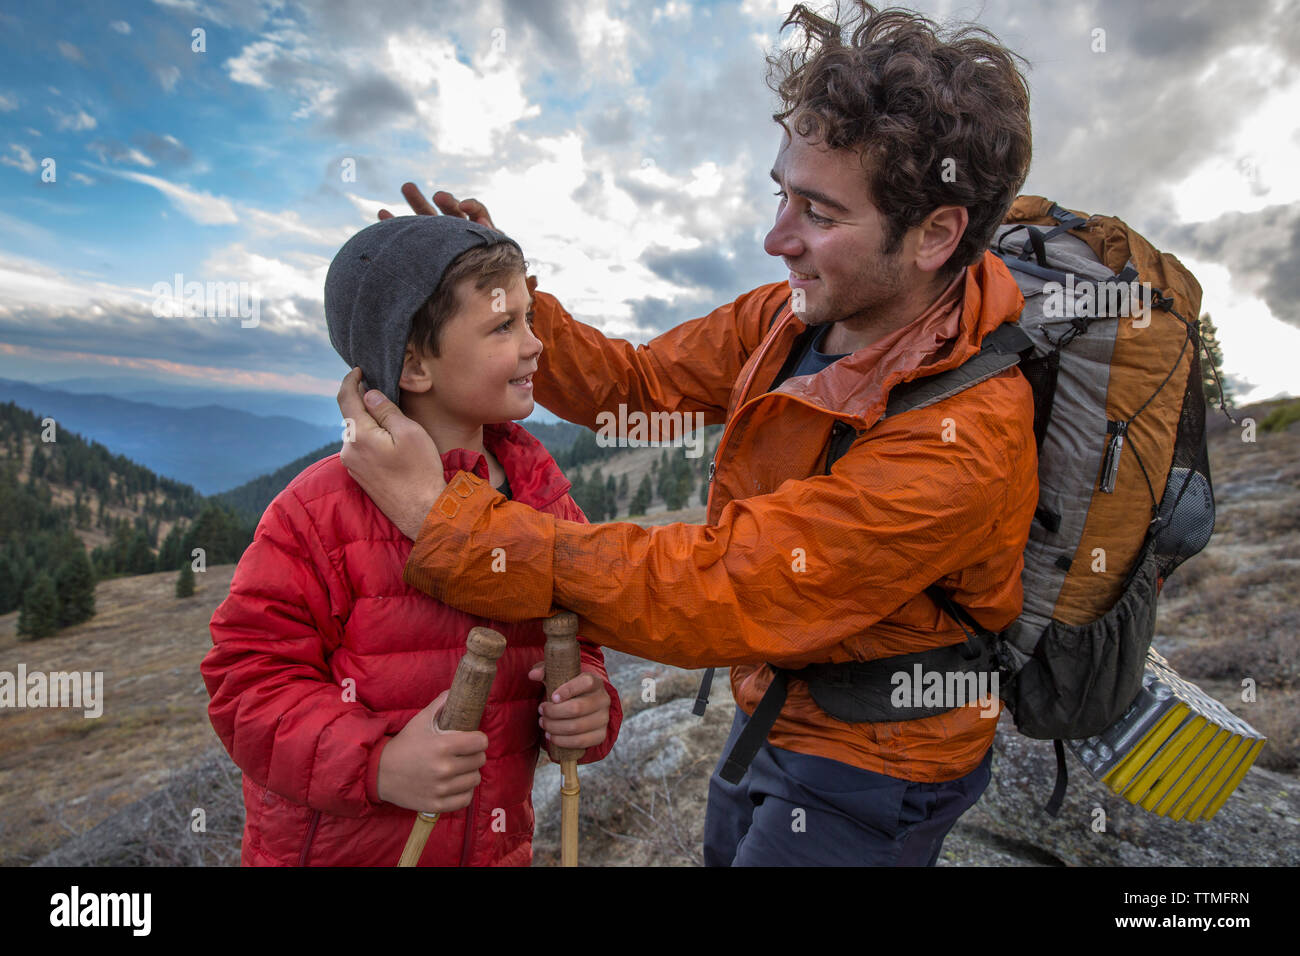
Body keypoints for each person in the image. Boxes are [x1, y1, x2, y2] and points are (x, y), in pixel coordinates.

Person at [338, 2, 1036, 866]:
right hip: (775, 705)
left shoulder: (962, 443)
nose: (776, 238)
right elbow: (642, 385)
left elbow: (722, 588)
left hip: (875, 762)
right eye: (783, 195)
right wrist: (506, 301)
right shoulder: (798, 317)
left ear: (936, 234)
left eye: (818, 213)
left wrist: (447, 523)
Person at [202, 214, 621, 866]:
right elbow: (247, 687)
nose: (537, 345)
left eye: (530, 319)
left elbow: (582, 642)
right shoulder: (318, 513)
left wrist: (586, 706)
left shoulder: (546, 503)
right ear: (415, 366)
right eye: (504, 326)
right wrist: (378, 763)